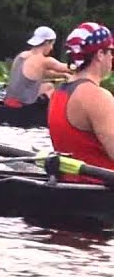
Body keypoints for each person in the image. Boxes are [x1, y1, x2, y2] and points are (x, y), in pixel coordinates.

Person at [48, 22, 114, 174]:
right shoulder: (97, 97)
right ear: (99, 54)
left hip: (71, 185)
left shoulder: (58, 93)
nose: (112, 57)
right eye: (110, 51)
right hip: (100, 190)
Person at [3, 26, 70, 108]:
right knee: (51, 90)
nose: (52, 48)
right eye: (52, 44)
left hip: (8, 100)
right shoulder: (45, 61)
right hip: (22, 105)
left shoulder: (21, 56)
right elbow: (68, 68)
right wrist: (83, 64)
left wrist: (62, 75)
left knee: (48, 86)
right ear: (46, 43)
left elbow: (41, 73)